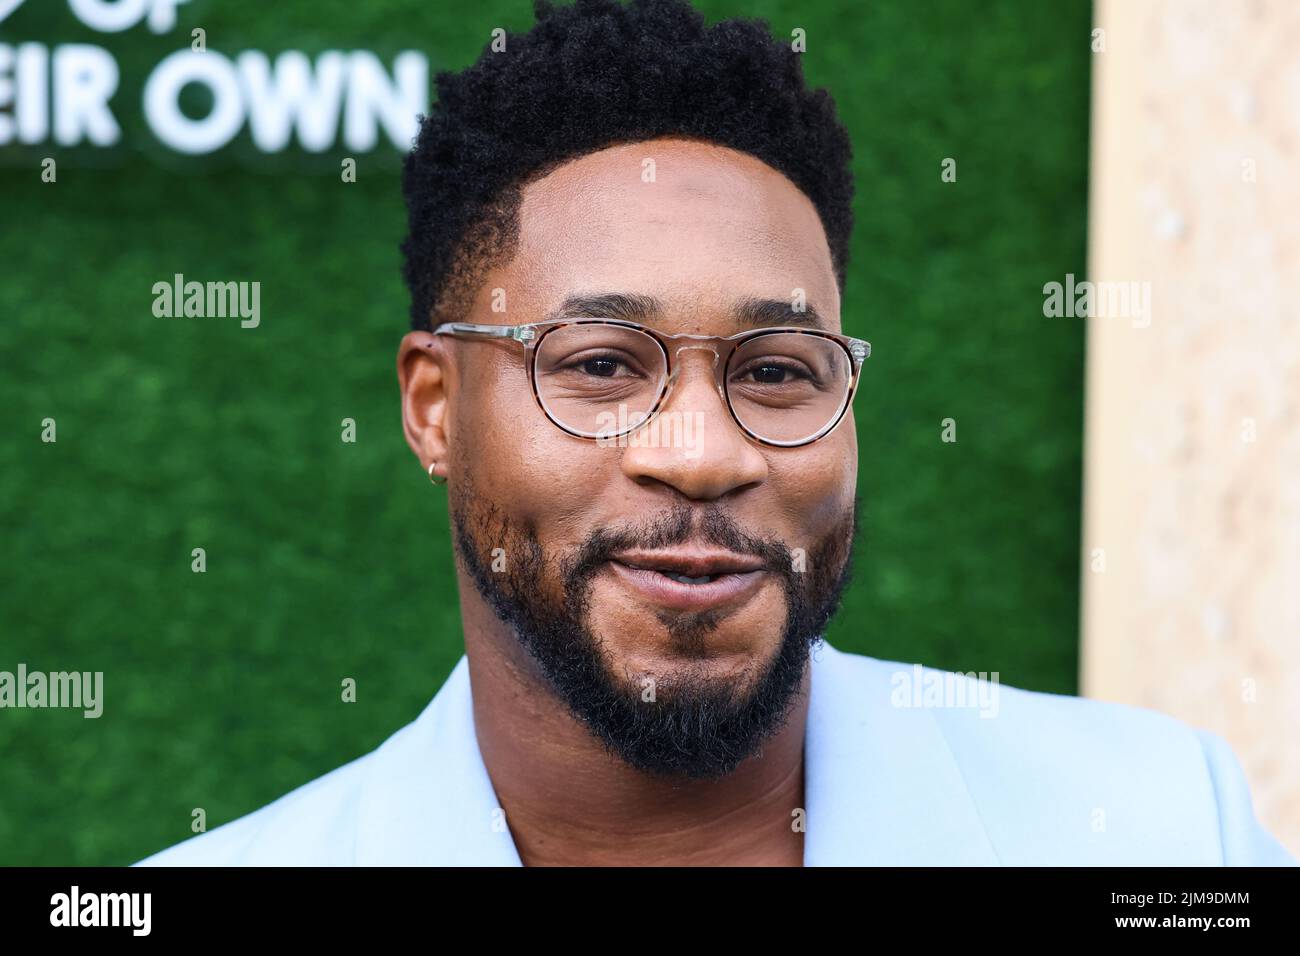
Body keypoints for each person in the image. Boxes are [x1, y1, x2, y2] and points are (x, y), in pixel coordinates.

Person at [136, 0, 1294, 866]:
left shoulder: (1154, 829)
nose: (699, 452)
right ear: (433, 406)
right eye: (597, 364)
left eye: (778, 371)